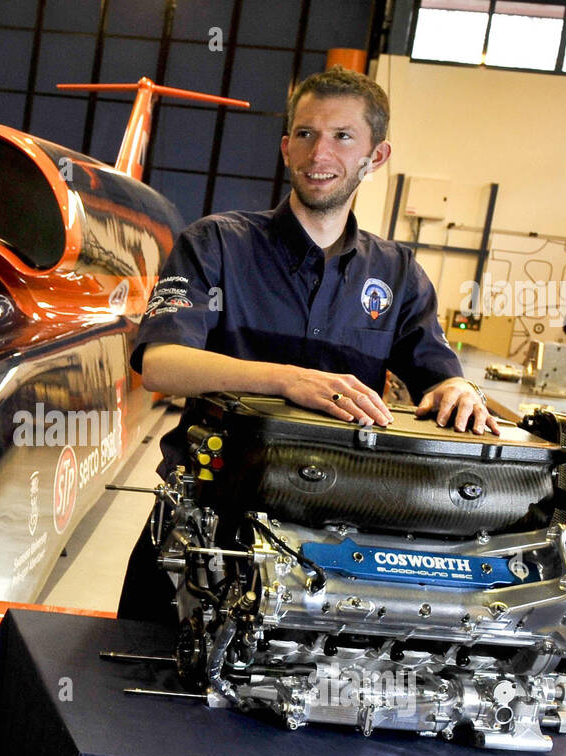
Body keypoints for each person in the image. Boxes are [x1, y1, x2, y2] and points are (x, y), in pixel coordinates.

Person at [117, 66, 496, 625]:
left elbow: (437, 373)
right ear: (286, 147)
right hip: (210, 519)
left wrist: (458, 388)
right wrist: (286, 378)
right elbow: (160, 365)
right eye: (306, 134)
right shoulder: (217, 244)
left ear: (376, 156)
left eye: (343, 136)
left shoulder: (398, 273)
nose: (321, 152)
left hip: (339, 541)